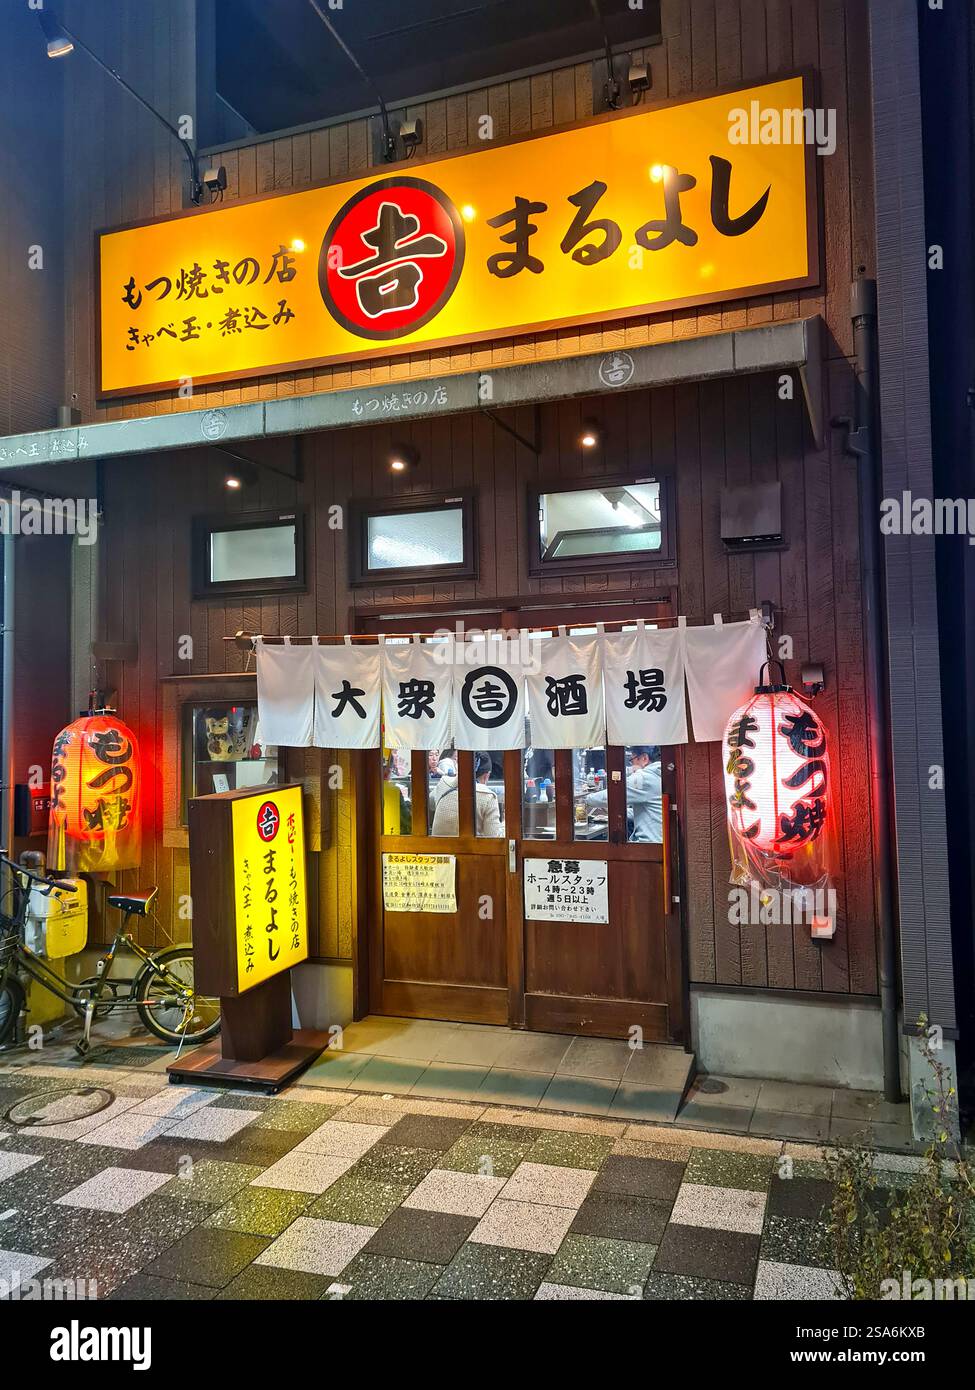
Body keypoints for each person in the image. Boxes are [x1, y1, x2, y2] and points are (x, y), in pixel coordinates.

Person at [586, 745, 662, 842]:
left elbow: (613, 794)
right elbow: (645, 811)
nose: (631, 764)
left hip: (649, 844)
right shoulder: (659, 773)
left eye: (632, 760)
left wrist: (585, 800)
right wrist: (614, 811)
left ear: (644, 758)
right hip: (659, 841)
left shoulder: (644, 778)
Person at [431, 752, 501, 837]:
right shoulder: (488, 797)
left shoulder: (443, 783)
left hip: (437, 849)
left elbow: (430, 803)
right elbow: (494, 839)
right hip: (469, 849)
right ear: (487, 776)